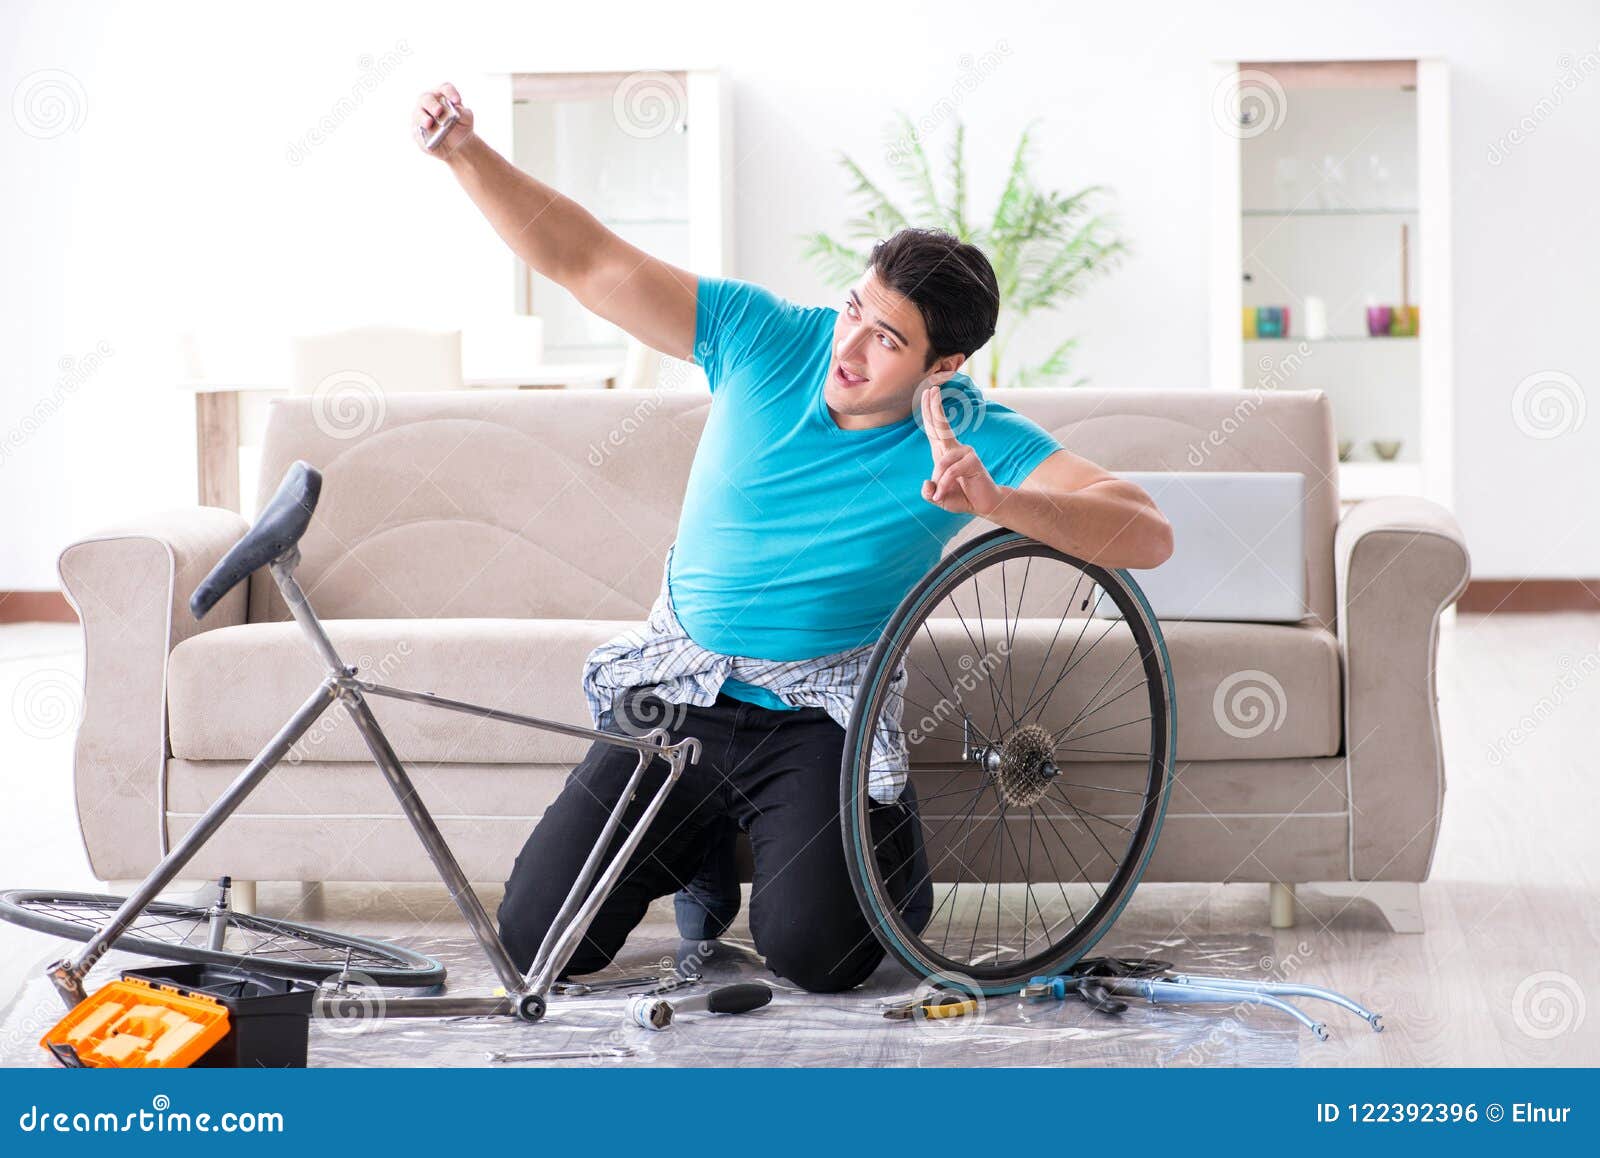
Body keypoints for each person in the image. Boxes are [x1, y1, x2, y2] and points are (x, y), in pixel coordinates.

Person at [412, 83, 1173, 993]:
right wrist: (464, 152)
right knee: (539, 940)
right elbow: (586, 260)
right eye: (855, 308)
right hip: (680, 695)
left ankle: (878, 853)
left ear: (943, 364)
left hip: (817, 722)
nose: (849, 349)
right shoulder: (762, 334)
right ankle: (698, 845)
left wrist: (999, 500)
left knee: (822, 957)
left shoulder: (968, 429)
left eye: (886, 339)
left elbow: (1146, 532)